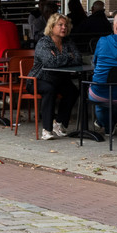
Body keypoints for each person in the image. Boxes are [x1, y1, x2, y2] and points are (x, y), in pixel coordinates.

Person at [29, 12, 82, 140]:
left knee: (73, 91)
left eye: (66, 25)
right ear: (52, 26)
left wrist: (60, 57)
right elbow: (50, 62)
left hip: (58, 79)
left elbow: (78, 58)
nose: (64, 27)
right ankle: (46, 130)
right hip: (38, 79)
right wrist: (69, 56)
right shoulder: (44, 42)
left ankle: (58, 123)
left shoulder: (68, 41)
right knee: (49, 90)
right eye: (60, 25)